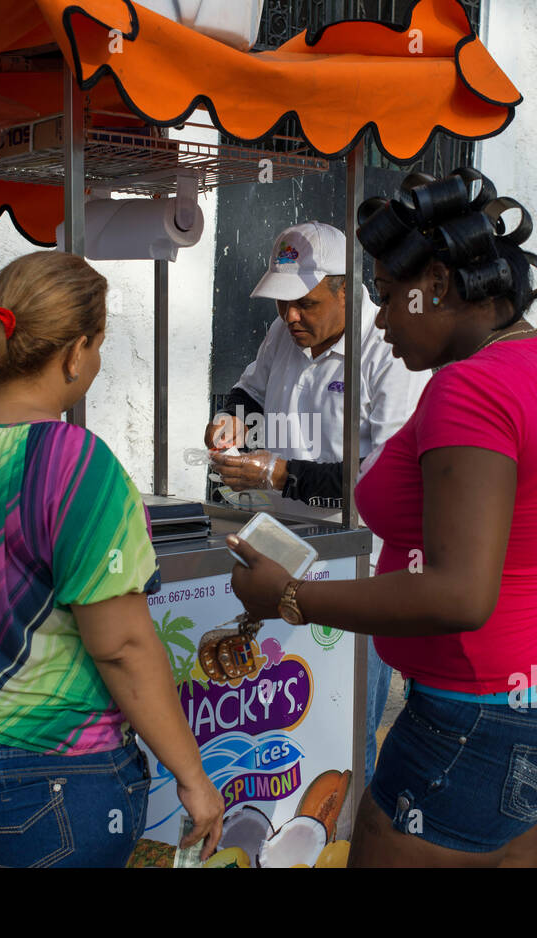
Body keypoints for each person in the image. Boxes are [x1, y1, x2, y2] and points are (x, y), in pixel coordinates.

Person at [226, 168, 537, 867]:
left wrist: (288, 598)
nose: (379, 318)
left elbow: (457, 595)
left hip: (481, 713)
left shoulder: (468, 388)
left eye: (386, 297)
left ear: (436, 283)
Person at [0, 251, 223, 867]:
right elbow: (121, 646)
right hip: (41, 782)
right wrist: (192, 776)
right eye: (99, 344)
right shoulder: (77, 462)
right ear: (75, 351)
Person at [202, 221, 431, 789]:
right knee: (284, 700)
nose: (291, 318)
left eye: (306, 304)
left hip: (359, 560)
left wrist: (280, 472)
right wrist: (231, 419)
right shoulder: (283, 334)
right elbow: (249, 388)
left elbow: (381, 478)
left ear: (346, 290)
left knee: (346, 717)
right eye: (282, 306)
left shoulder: (389, 357)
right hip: (280, 542)